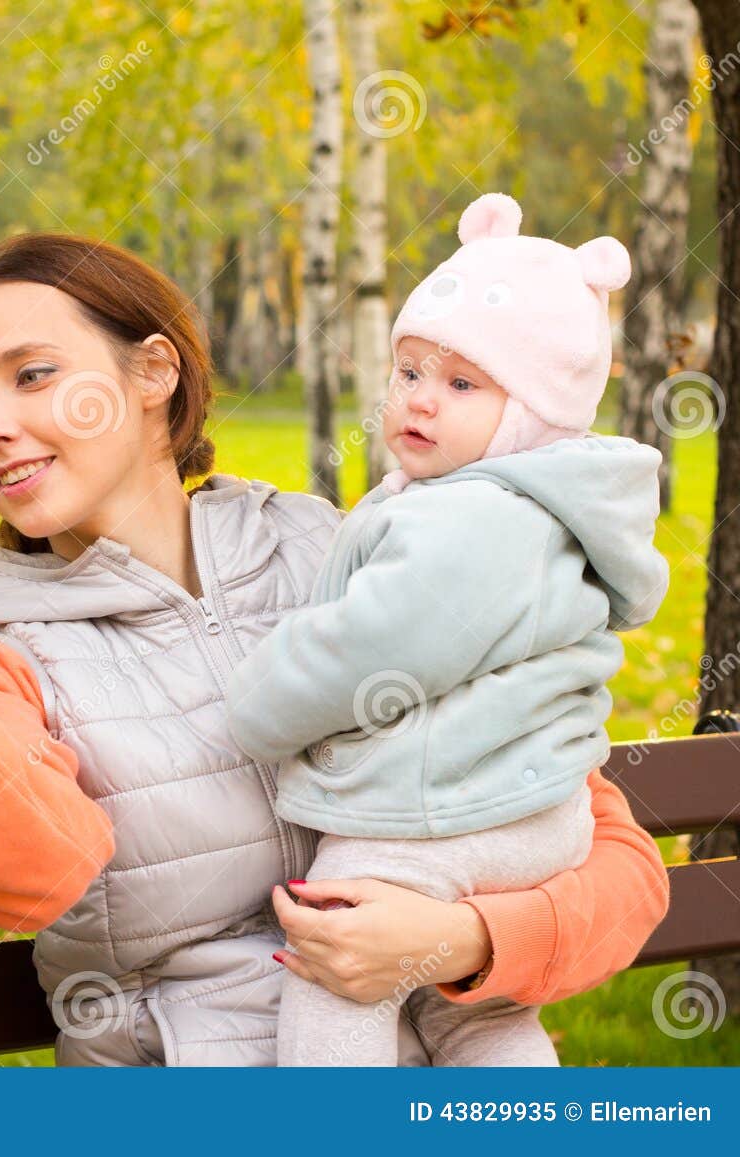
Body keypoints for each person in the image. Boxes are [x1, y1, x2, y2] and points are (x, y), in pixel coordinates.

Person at [0, 232, 671, 1066]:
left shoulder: (335, 550)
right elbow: (32, 874)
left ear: (153, 369)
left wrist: (457, 943)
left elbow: (613, 861)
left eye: (31, 374)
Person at [226, 193, 668, 1065]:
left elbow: (374, 646)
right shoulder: (512, 501)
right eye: (409, 372)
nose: (420, 401)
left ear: (538, 410)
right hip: (525, 810)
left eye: (462, 384)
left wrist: (257, 703)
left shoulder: (475, 519)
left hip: (440, 815)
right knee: (476, 1016)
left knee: (337, 955)